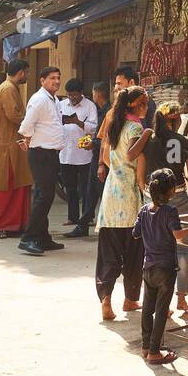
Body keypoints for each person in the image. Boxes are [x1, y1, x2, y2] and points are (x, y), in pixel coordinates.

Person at [95, 85, 150, 320]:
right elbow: (132, 156)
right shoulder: (136, 127)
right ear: (136, 105)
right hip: (128, 199)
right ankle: (129, 300)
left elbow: (107, 157)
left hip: (110, 198)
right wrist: (147, 134)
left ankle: (106, 301)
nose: (147, 107)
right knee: (133, 254)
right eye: (144, 103)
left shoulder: (115, 125)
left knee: (108, 254)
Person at [145, 101, 188, 314]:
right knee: (183, 249)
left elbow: (142, 174)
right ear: (176, 121)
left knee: (156, 249)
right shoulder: (185, 142)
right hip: (179, 197)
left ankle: (161, 303)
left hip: (154, 199)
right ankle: (182, 299)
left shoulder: (149, 142)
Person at [134, 168, 188, 365]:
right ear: (172, 191)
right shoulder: (170, 211)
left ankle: (146, 346)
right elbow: (178, 235)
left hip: (148, 268)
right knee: (161, 310)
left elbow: (135, 233)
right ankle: (155, 351)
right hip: (165, 269)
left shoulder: (144, 210)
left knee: (148, 309)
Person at [16, 66, 67, 256]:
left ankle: (43, 237)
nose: (56, 81)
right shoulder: (39, 100)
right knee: (44, 196)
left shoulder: (53, 100)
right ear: (42, 80)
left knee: (44, 196)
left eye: (58, 78)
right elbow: (26, 125)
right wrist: (26, 138)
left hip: (50, 153)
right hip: (40, 153)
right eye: (52, 78)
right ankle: (28, 238)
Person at [0, 59, 33, 239]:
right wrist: (33, 121)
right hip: (8, 147)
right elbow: (14, 115)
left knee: (19, 186)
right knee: (6, 187)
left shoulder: (10, 88)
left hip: (14, 144)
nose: (27, 76)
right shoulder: (7, 89)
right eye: (27, 73)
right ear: (21, 72)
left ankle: (16, 224)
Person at [72, 81, 113, 239]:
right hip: (96, 155)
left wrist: (94, 143)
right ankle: (83, 224)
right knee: (91, 193)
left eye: (94, 93)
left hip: (102, 157)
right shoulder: (100, 110)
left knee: (102, 192)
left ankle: (105, 225)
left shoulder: (108, 112)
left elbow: (105, 138)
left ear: (97, 93)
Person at [58, 78, 98, 238]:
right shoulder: (61, 105)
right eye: (69, 95)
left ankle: (86, 218)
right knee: (70, 187)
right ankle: (72, 217)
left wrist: (78, 122)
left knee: (85, 188)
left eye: (75, 95)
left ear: (81, 93)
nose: (72, 98)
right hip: (65, 153)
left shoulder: (90, 106)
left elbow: (94, 128)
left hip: (84, 154)